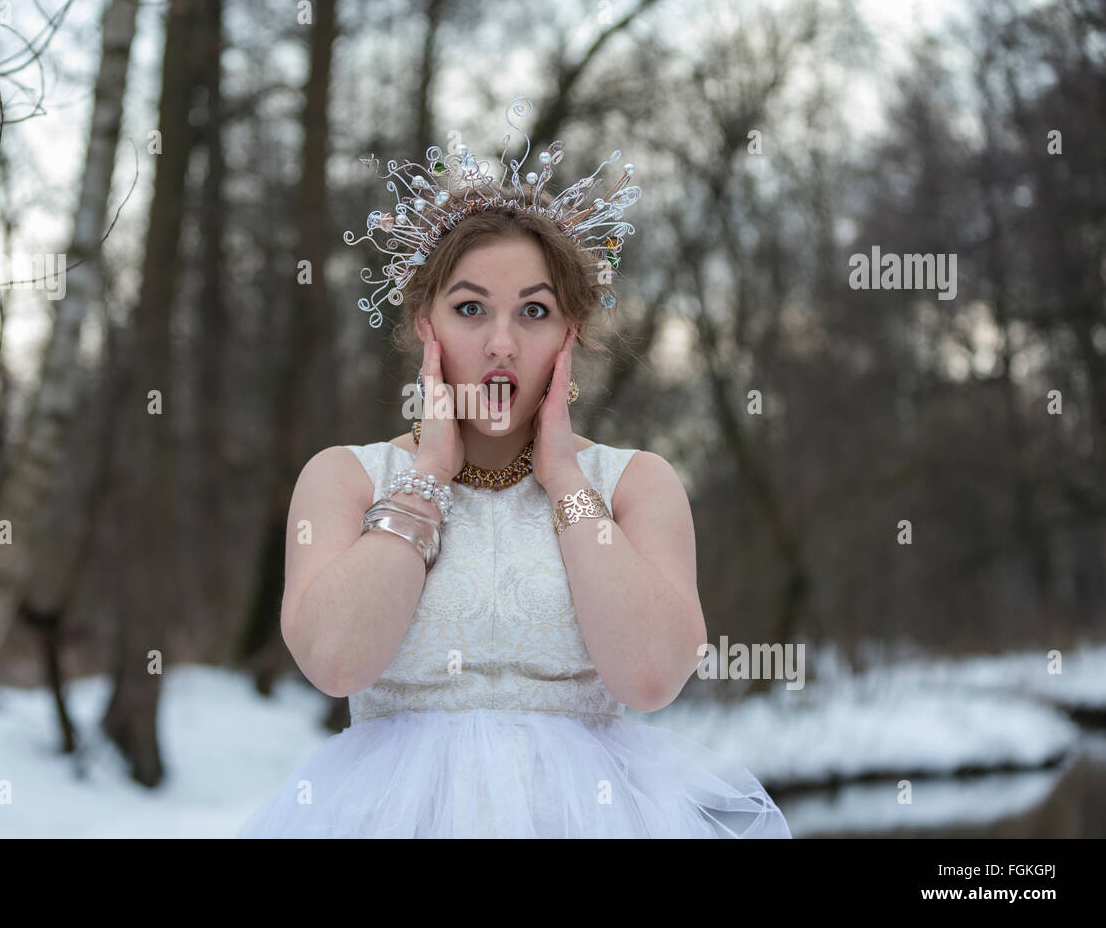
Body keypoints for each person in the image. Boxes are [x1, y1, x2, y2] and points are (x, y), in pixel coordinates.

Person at [238, 98, 791, 837]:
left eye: (533, 312)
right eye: (471, 309)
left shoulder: (636, 484)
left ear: (571, 330)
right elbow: (336, 663)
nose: (501, 343)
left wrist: (565, 483)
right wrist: (429, 475)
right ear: (423, 323)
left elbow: (652, 678)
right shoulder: (344, 479)